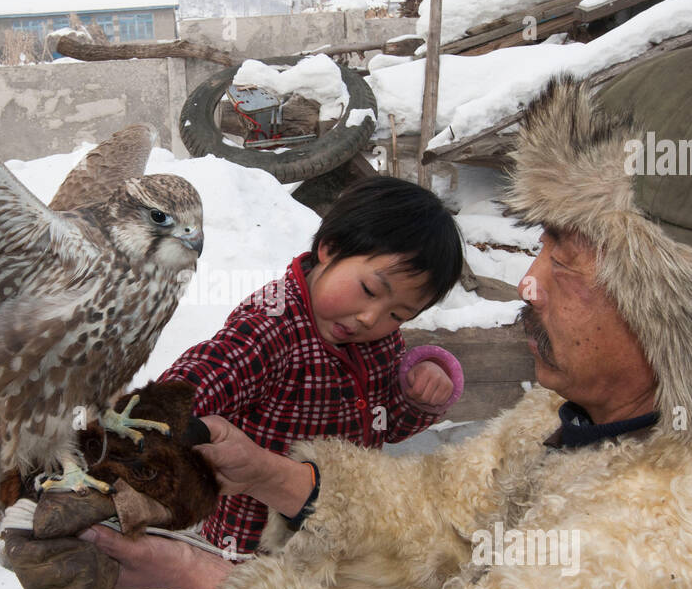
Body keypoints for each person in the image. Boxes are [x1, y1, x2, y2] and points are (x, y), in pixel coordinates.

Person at [81, 45, 692, 589]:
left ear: (675, 298)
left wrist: (204, 581)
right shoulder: (586, 418)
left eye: (565, 256)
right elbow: (445, 517)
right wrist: (275, 474)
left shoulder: (681, 560)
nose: (528, 284)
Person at [158, 177, 465, 556]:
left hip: (337, 518)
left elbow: (390, 426)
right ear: (329, 248)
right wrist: (154, 418)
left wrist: (418, 396)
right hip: (255, 542)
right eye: (369, 290)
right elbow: (211, 373)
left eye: (398, 313)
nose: (370, 317)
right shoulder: (271, 325)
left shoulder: (380, 342)